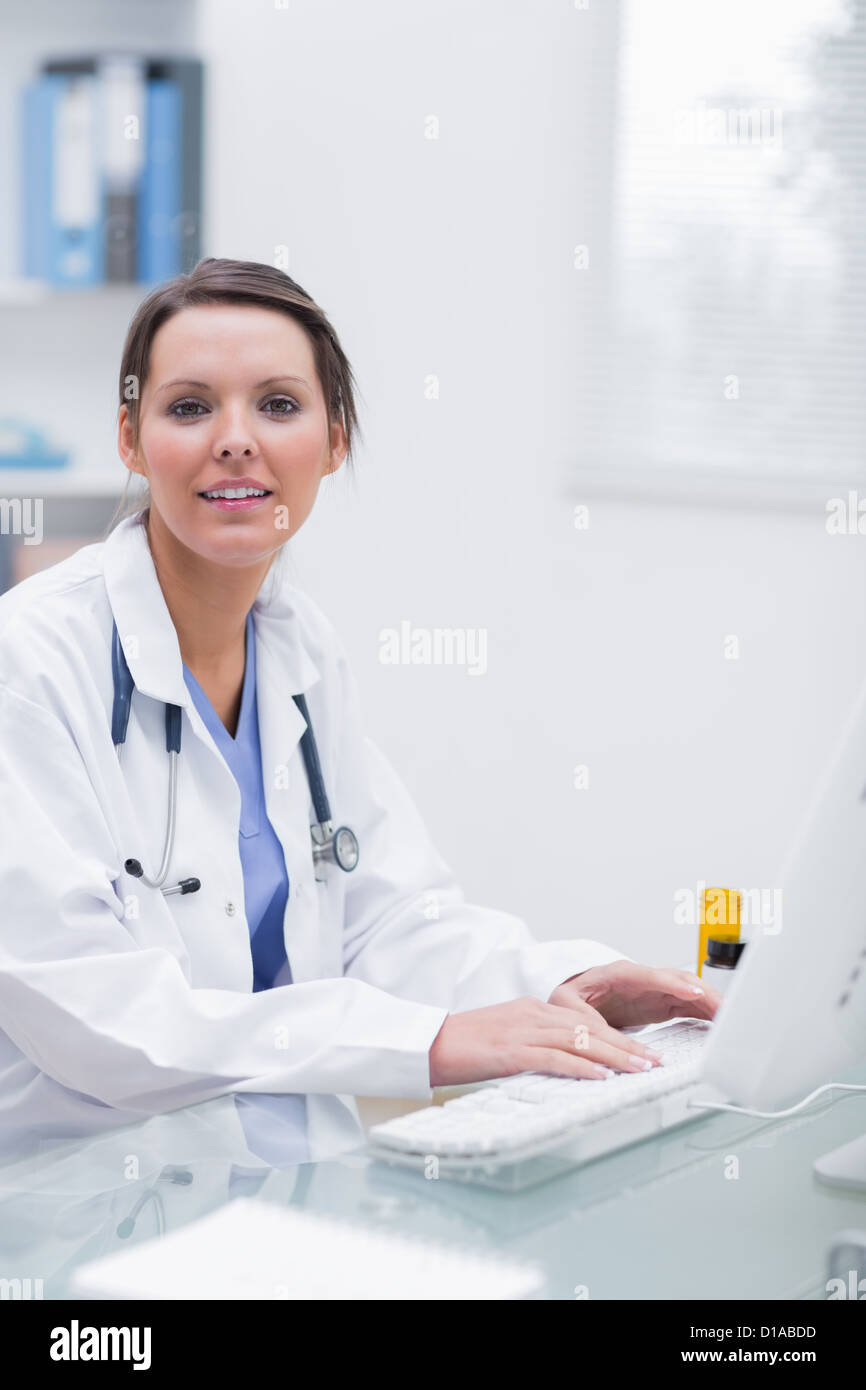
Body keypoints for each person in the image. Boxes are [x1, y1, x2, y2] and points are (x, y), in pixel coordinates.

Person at [0, 258, 720, 1162]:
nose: (235, 440)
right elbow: (96, 1021)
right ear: (130, 440)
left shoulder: (299, 649)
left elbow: (390, 918)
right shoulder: (29, 664)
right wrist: (428, 1045)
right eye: (189, 407)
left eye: (278, 404)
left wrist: (563, 979)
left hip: (293, 1181)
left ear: (332, 442)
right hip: (80, 1201)